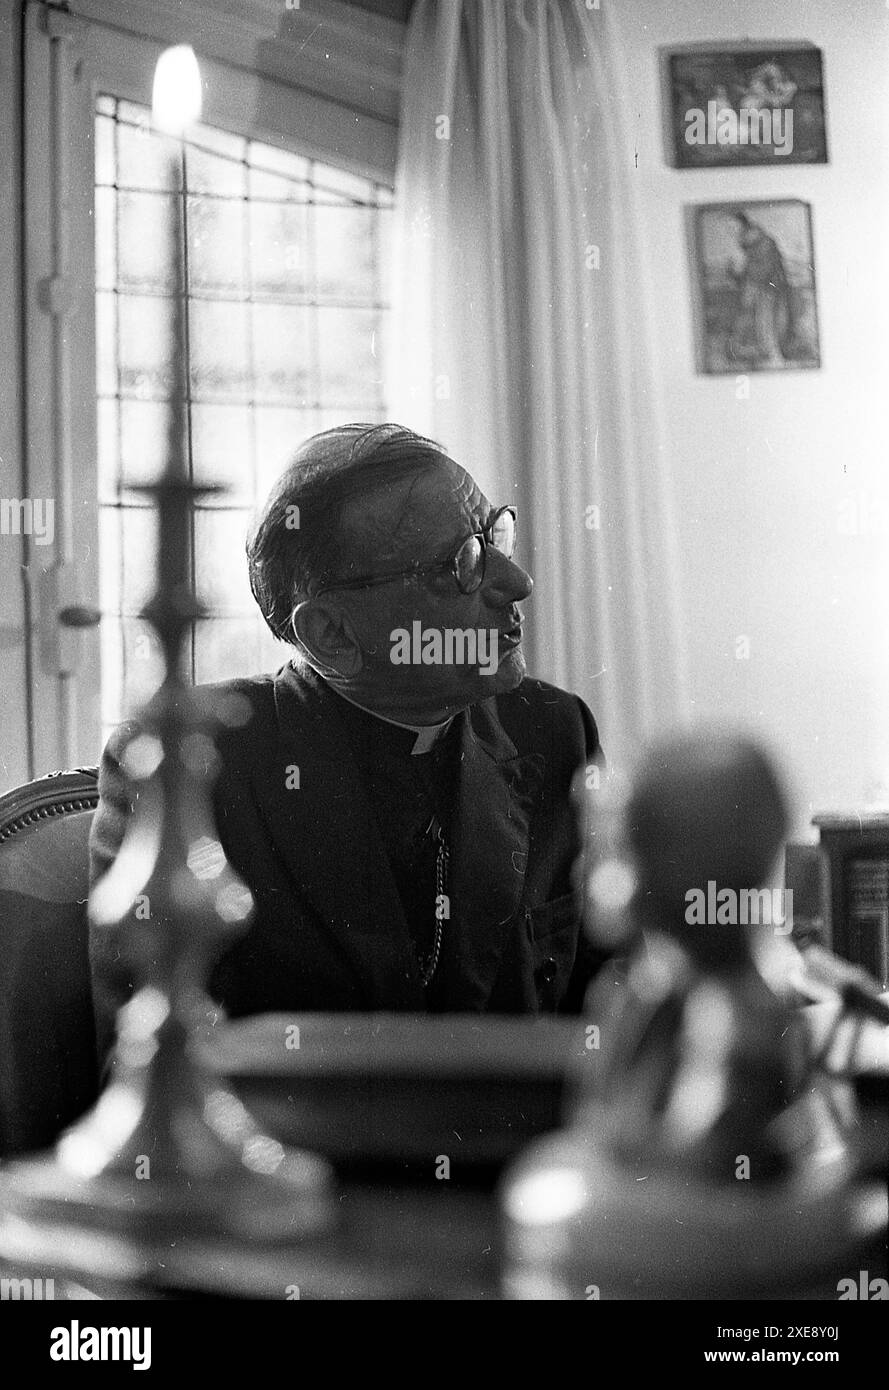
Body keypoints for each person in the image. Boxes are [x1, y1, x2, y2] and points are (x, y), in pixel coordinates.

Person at [89, 424, 606, 1056]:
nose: (516, 581)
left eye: (494, 535)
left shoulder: (554, 733)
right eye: (462, 565)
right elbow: (156, 1059)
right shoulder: (194, 763)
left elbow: (611, 1018)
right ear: (333, 635)